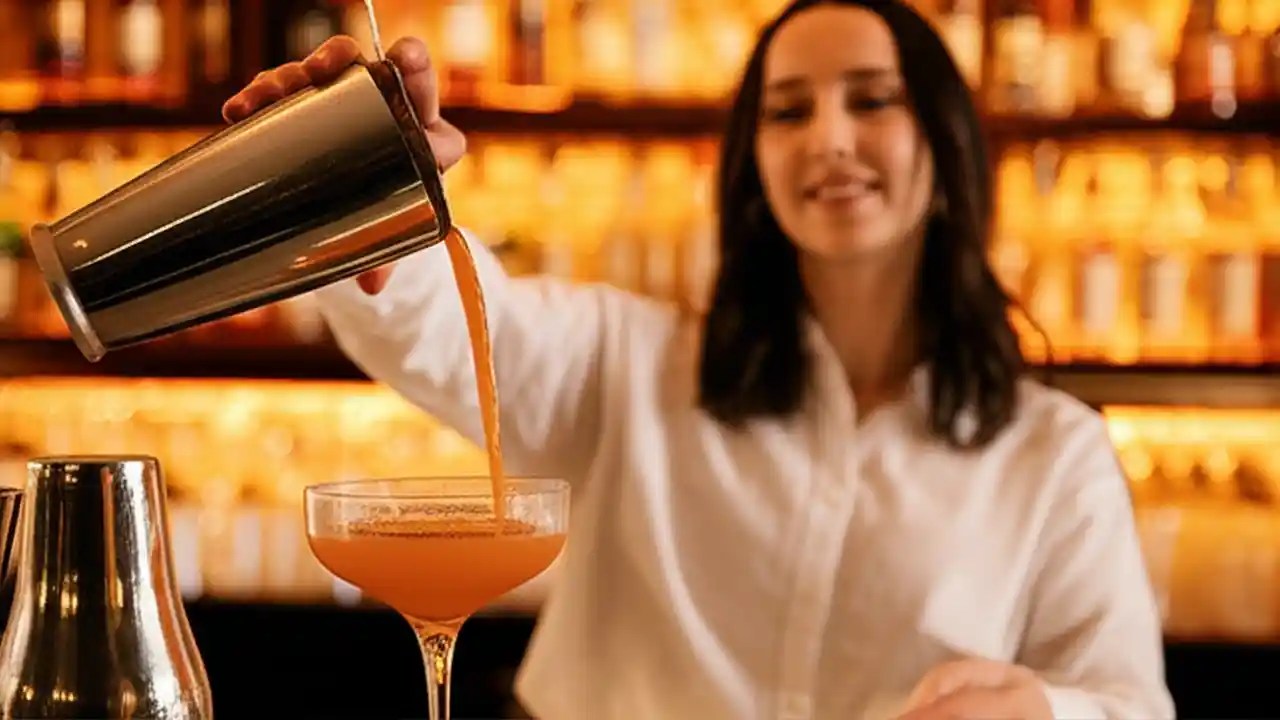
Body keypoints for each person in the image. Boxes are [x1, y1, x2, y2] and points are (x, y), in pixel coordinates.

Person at [224, 1, 1175, 718]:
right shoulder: (630, 364)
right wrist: (372, 209)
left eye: (873, 100)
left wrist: (1044, 709)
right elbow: (437, 325)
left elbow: (1128, 700)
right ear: (752, 163)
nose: (831, 140)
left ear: (946, 140)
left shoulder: (1056, 455)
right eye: (788, 112)